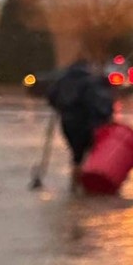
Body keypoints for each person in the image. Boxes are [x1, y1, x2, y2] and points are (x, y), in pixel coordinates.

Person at [45, 58, 114, 192]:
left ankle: (74, 183)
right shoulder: (90, 82)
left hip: (67, 123)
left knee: (76, 153)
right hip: (86, 123)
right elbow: (97, 103)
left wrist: (60, 107)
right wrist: (106, 117)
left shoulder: (62, 80)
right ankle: (84, 183)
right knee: (89, 151)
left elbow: (51, 96)